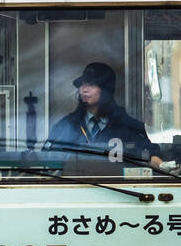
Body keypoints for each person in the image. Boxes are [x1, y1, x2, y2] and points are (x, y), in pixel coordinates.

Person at [45, 61, 173, 171]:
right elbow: (48, 159)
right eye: (82, 84)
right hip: (73, 193)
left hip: (117, 192)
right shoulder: (66, 126)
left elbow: (149, 155)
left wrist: (163, 166)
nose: (84, 89)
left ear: (106, 89)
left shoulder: (125, 126)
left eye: (91, 84)